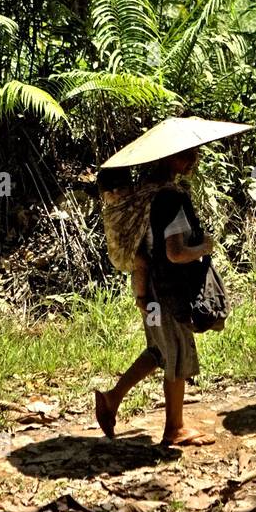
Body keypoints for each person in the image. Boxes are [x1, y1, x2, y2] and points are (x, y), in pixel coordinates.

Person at [95, 147, 217, 447]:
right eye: (186, 155)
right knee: (175, 352)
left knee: (158, 351)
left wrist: (140, 296)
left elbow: (141, 255)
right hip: (168, 292)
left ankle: (111, 399)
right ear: (165, 157)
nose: (193, 161)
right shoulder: (170, 199)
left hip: (149, 291)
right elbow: (175, 253)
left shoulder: (143, 195)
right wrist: (204, 248)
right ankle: (174, 428)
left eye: (195, 154)